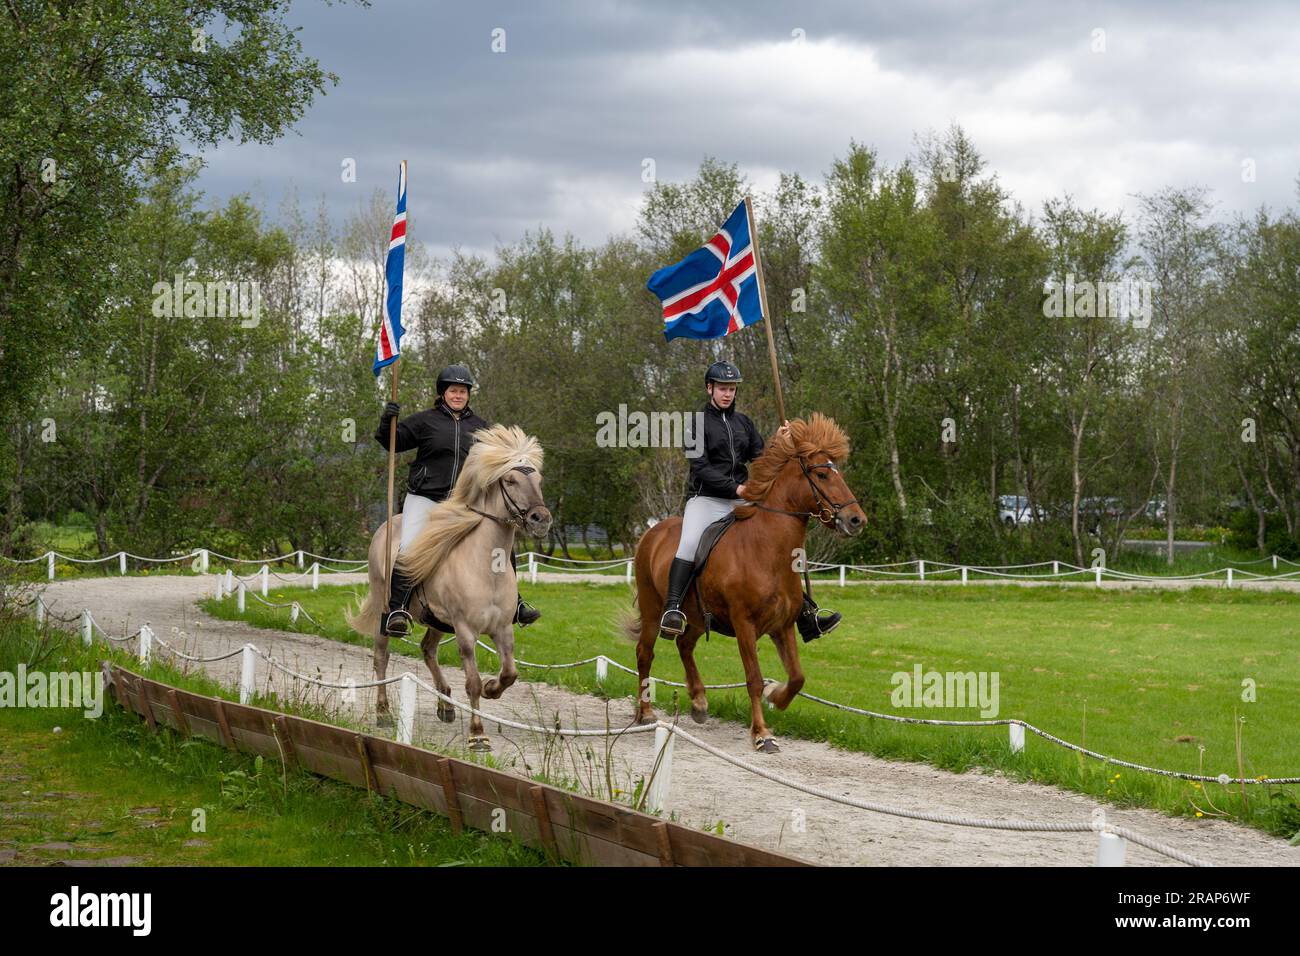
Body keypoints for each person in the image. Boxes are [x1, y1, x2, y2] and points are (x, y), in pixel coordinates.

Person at [659, 361, 842, 642]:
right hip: (706, 499)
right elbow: (700, 467)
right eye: (722, 388)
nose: (727, 394)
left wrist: (778, 442)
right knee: (690, 542)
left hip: (740, 501)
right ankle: (672, 609)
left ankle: (805, 612)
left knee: (773, 546)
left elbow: (761, 458)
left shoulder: (743, 422)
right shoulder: (696, 424)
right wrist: (738, 488)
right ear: (710, 388)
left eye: (731, 389)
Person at [374, 364, 541, 637]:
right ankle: (397, 609)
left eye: (463, 391)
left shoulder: (481, 429)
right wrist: (387, 421)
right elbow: (392, 442)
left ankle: (516, 602)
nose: (458, 395)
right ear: (443, 393)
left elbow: (504, 460)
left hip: (464, 502)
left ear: (468, 395)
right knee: (411, 545)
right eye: (453, 390)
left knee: (501, 542)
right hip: (425, 498)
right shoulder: (424, 421)